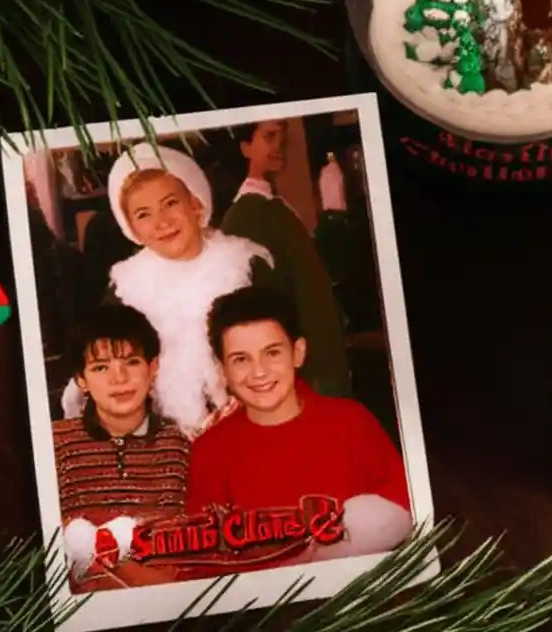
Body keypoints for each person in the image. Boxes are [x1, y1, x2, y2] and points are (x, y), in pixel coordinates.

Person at [185, 286, 414, 570]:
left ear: (298, 352)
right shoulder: (210, 450)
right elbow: (204, 561)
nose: (259, 372)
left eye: (272, 353)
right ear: (222, 371)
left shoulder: (350, 422)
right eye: (241, 359)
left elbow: (407, 509)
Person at [60, 143, 273, 437]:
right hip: (162, 435)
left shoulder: (246, 266)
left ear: (195, 203)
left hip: (248, 419)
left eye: (170, 203)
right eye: (144, 214)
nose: (162, 222)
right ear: (131, 228)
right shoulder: (124, 287)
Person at [53, 305, 190, 592]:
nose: (119, 379)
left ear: (153, 368)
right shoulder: (55, 444)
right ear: (81, 380)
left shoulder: (181, 444)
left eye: (131, 362)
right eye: (101, 367)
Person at [221, 119, 353, 399]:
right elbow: (257, 305)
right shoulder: (248, 214)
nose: (278, 147)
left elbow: (309, 273)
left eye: (282, 138)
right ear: (246, 147)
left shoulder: (272, 205)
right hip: (298, 370)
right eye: (269, 137)